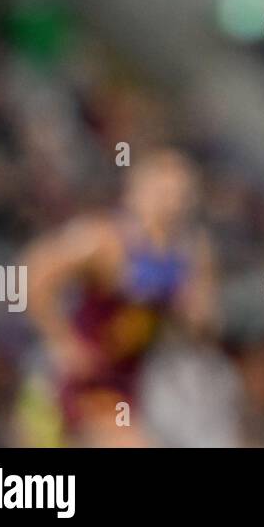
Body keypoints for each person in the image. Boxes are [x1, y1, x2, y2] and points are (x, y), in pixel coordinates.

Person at [24, 148, 216, 446]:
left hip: (125, 387)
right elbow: (36, 271)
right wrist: (60, 339)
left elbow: (201, 325)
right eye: (163, 192)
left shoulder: (189, 255)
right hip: (73, 384)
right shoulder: (104, 239)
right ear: (136, 190)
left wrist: (192, 312)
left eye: (181, 194)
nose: (172, 203)